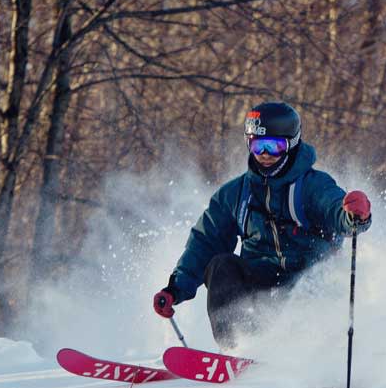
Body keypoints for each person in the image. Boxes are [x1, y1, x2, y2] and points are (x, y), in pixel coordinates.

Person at [152, 102, 372, 348]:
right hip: (260, 281)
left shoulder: (313, 186)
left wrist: (354, 216)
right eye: (258, 145)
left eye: (274, 146)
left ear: (292, 144)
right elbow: (205, 243)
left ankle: (309, 351)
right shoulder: (236, 194)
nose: (265, 154)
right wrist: (175, 290)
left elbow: (335, 210)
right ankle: (236, 349)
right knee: (220, 265)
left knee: (315, 282)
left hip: (308, 280)